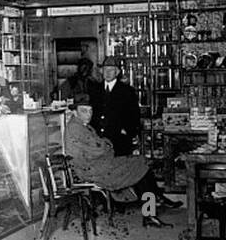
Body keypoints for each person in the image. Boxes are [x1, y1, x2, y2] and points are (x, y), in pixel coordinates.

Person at [65, 95, 180, 226]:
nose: (89, 114)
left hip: (99, 165)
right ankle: (152, 207)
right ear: (75, 112)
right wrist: (105, 145)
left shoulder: (83, 126)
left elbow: (101, 146)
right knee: (141, 164)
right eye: (84, 111)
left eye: (90, 110)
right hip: (93, 171)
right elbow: (100, 149)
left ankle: (152, 206)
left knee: (141, 164)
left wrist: (105, 145)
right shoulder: (76, 127)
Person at [91, 58, 141, 156]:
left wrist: (128, 131)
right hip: (99, 140)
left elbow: (134, 115)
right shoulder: (94, 89)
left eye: (111, 70)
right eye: (105, 70)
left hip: (120, 139)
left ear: (117, 72)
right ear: (101, 71)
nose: (108, 73)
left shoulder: (127, 91)